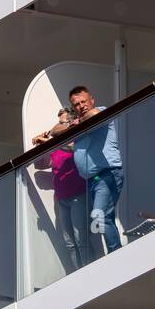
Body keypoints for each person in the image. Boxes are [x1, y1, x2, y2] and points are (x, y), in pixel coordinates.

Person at [42, 86, 124, 254]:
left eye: (83, 101)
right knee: (103, 217)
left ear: (91, 100)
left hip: (107, 174)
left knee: (99, 216)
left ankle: (116, 254)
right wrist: (52, 133)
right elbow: (58, 132)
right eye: (76, 104)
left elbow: (93, 115)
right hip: (92, 180)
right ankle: (115, 253)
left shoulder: (100, 112)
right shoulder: (77, 127)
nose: (81, 106)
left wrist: (72, 124)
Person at [32, 108, 89, 269]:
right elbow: (40, 164)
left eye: (61, 122)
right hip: (62, 198)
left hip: (79, 195)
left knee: (81, 238)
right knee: (69, 241)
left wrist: (50, 141)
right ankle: (79, 273)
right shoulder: (57, 147)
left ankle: (89, 272)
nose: (57, 126)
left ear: (71, 123)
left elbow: (72, 148)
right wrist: (39, 146)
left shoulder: (77, 139)